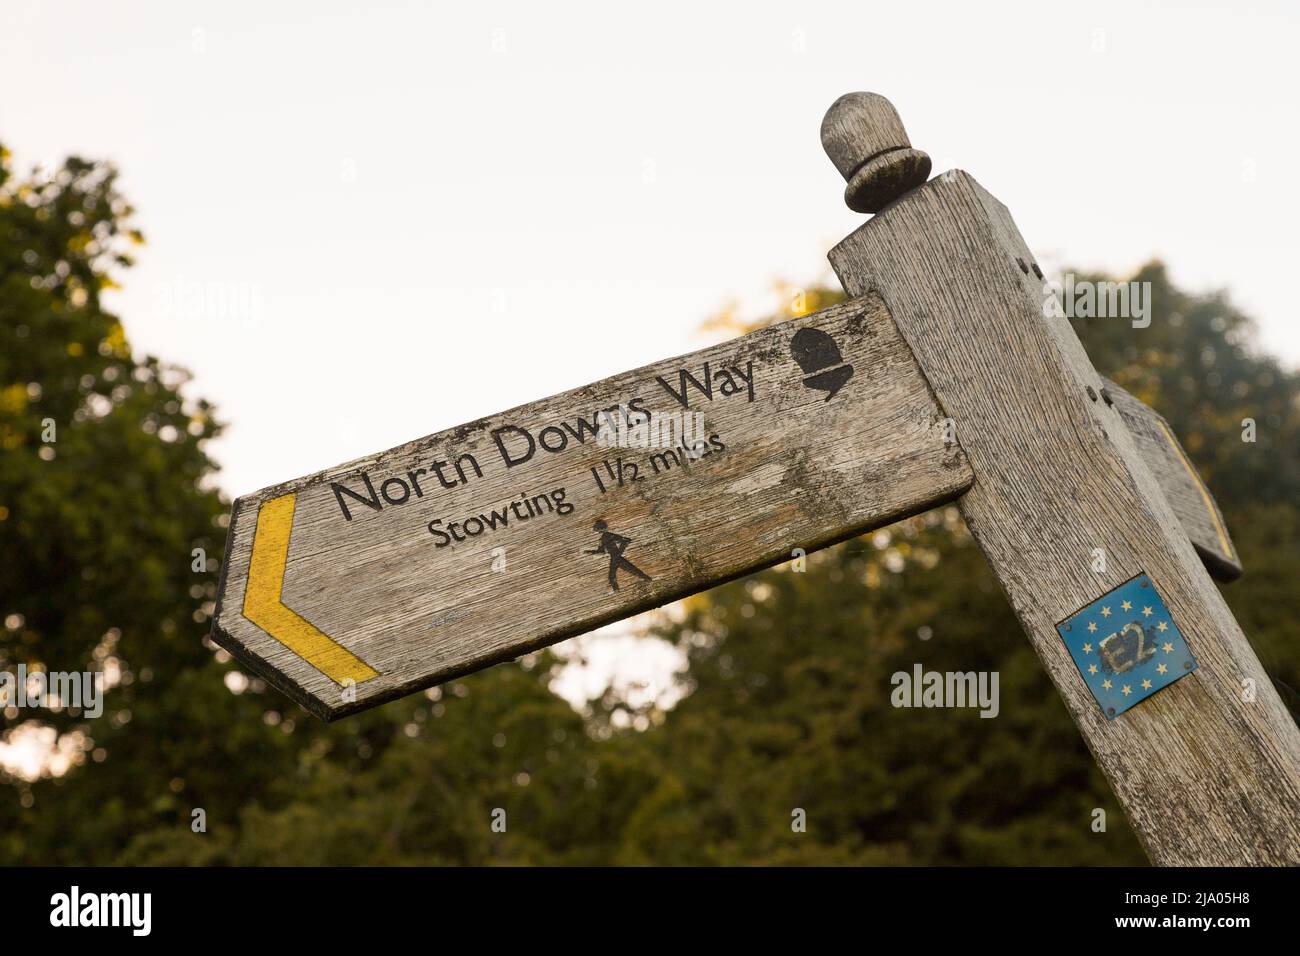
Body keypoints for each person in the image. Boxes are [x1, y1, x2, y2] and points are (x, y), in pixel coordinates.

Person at [585, 519, 651, 590]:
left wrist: (620, 552)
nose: (594, 528)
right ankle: (616, 589)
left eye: (596, 527)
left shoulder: (608, 535)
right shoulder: (602, 539)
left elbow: (626, 540)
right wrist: (590, 552)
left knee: (629, 570)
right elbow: (601, 552)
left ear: (599, 528)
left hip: (616, 557)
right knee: (622, 572)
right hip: (615, 557)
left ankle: (647, 579)